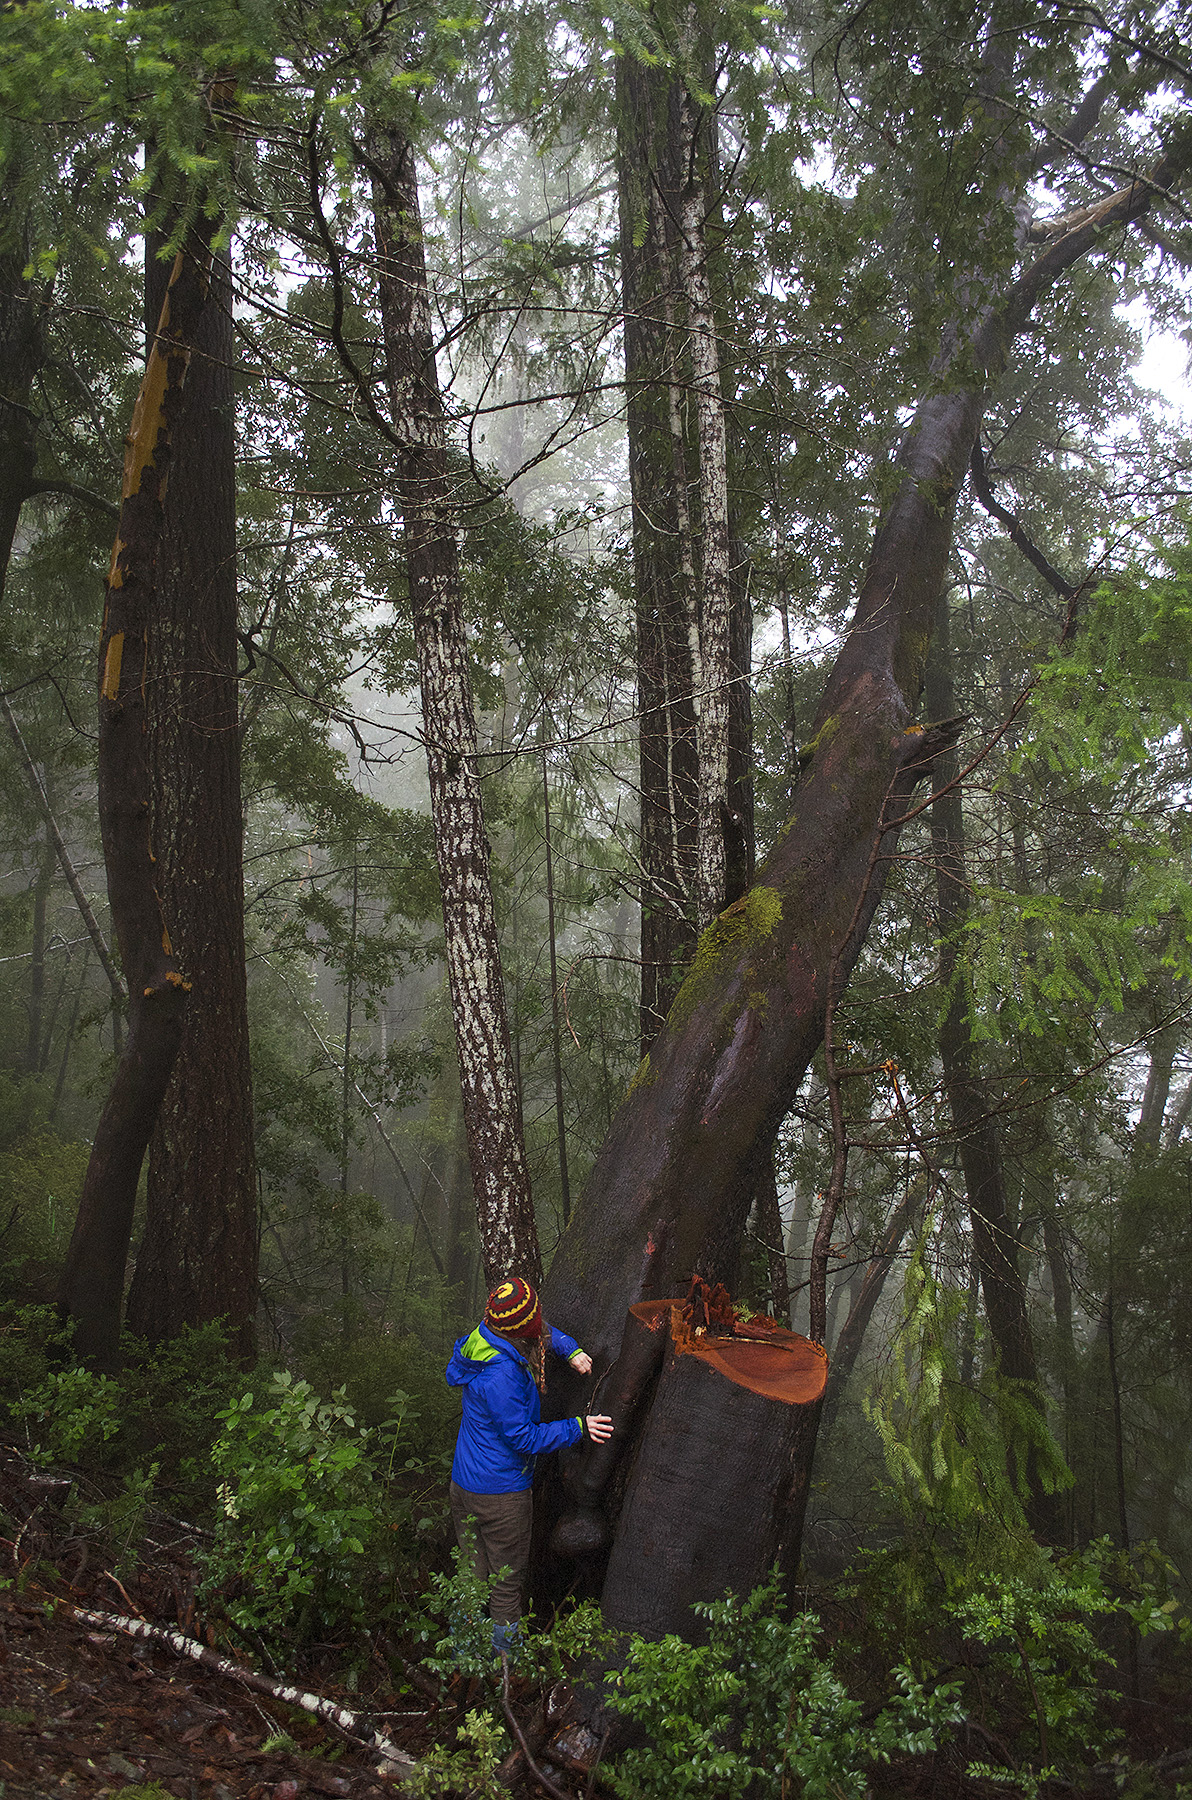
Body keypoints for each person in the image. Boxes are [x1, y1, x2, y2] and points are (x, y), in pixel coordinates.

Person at [445, 1276, 613, 1652]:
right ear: (520, 1329)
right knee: (505, 1585)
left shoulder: (485, 1336)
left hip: (464, 1483)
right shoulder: (501, 1375)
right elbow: (523, 1438)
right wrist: (578, 1427)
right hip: (499, 1495)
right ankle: (505, 1669)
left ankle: (462, 1657)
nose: (541, 1326)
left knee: (469, 1577)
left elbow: (541, 1329)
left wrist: (569, 1349)